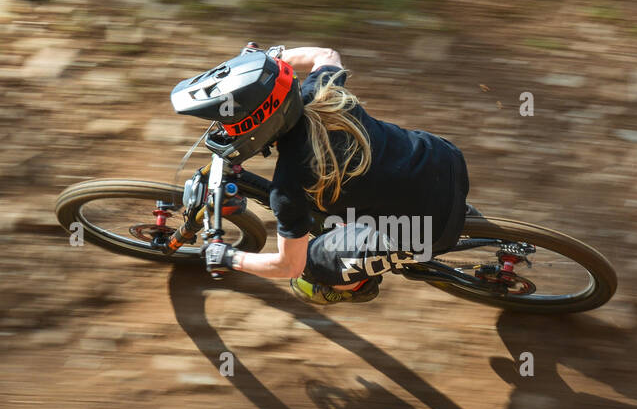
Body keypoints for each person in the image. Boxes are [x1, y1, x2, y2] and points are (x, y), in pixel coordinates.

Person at [192, 44, 471, 305]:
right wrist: (274, 57)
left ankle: (354, 286)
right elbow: (326, 54)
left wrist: (228, 257)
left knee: (313, 266)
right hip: (444, 159)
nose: (228, 130)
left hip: (428, 230)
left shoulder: (290, 186)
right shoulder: (322, 92)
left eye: (233, 125)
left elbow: (289, 265)